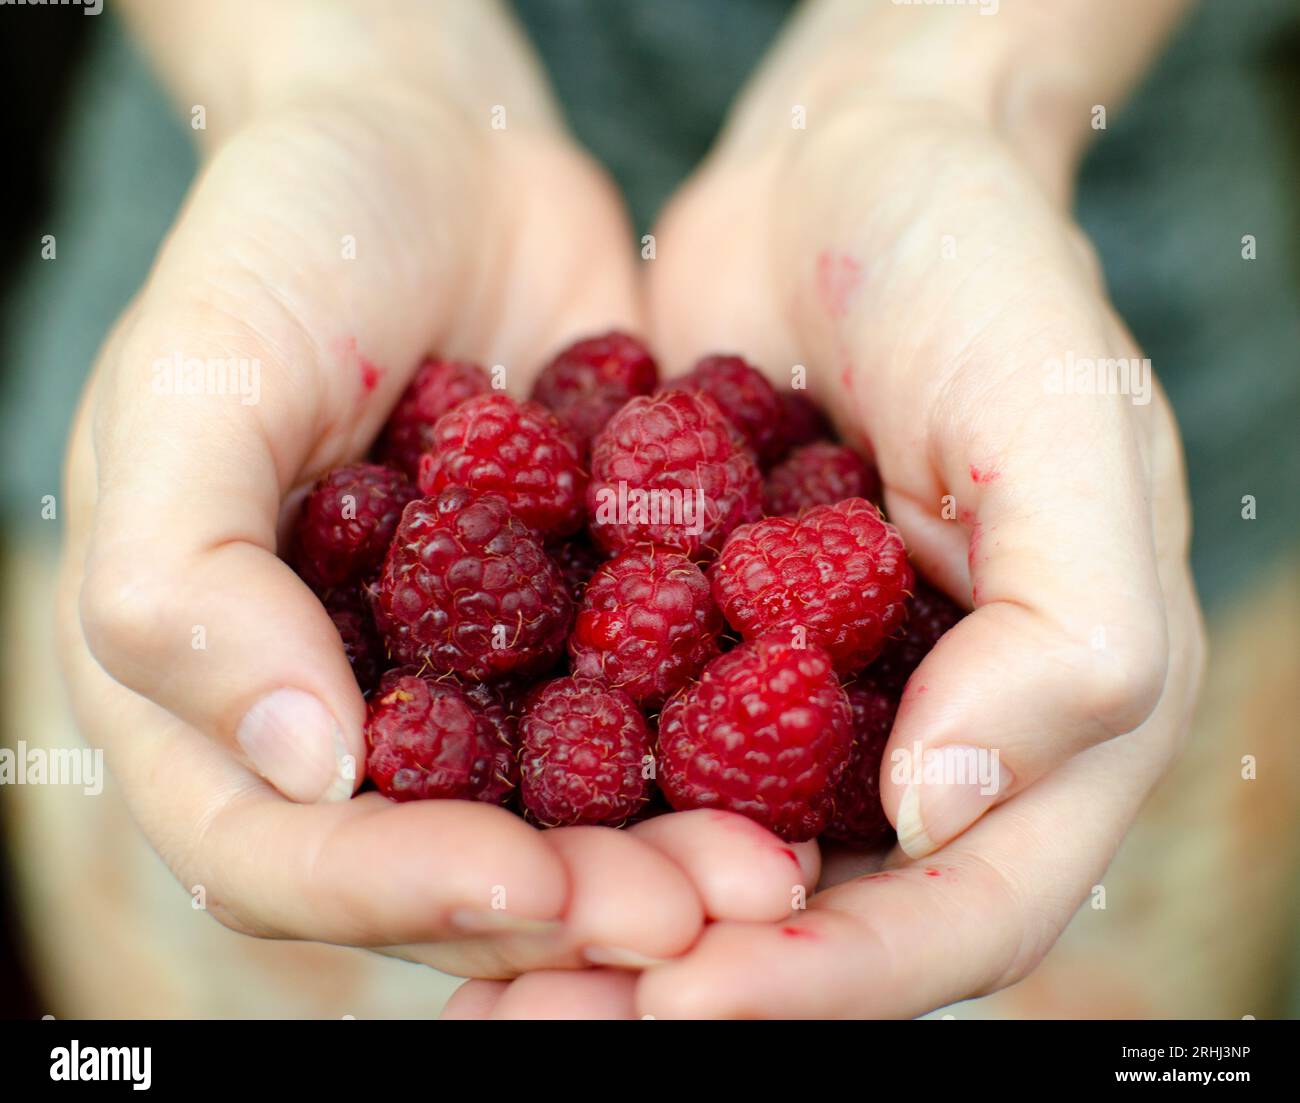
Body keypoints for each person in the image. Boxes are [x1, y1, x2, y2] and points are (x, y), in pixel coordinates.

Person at [57, 0, 1204, 1018]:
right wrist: (339, 58)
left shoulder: (740, 555)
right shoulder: (497, 543)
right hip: (264, 303)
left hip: (1122, 296)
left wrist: (958, 84)